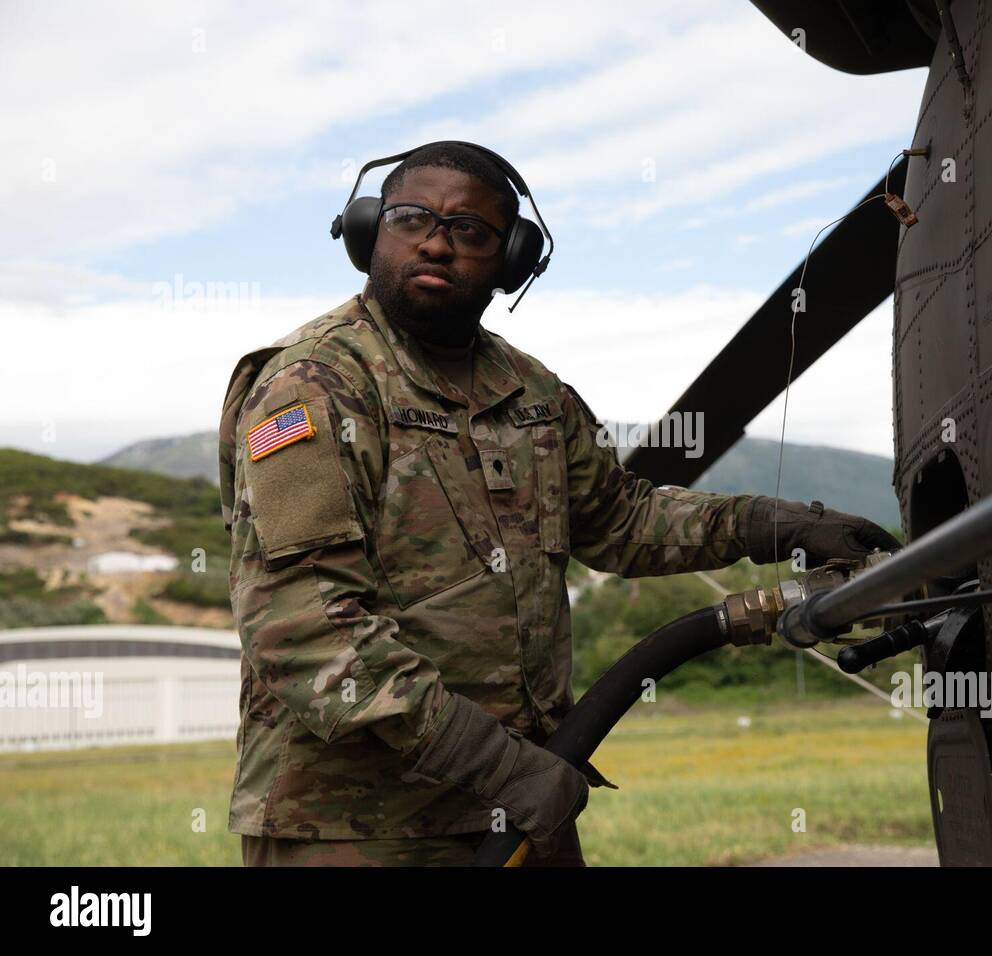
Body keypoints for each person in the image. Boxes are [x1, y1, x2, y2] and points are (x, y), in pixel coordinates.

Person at [217, 142, 899, 866]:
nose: (438, 242)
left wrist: (771, 524)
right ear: (367, 231)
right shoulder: (314, 384)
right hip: (358, 829)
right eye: (412, 217)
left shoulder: (533, 392)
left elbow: (622, 521)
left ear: (512, 259)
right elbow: (308, 631)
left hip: (523, 809)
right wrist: (504, 767)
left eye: (472, 231)